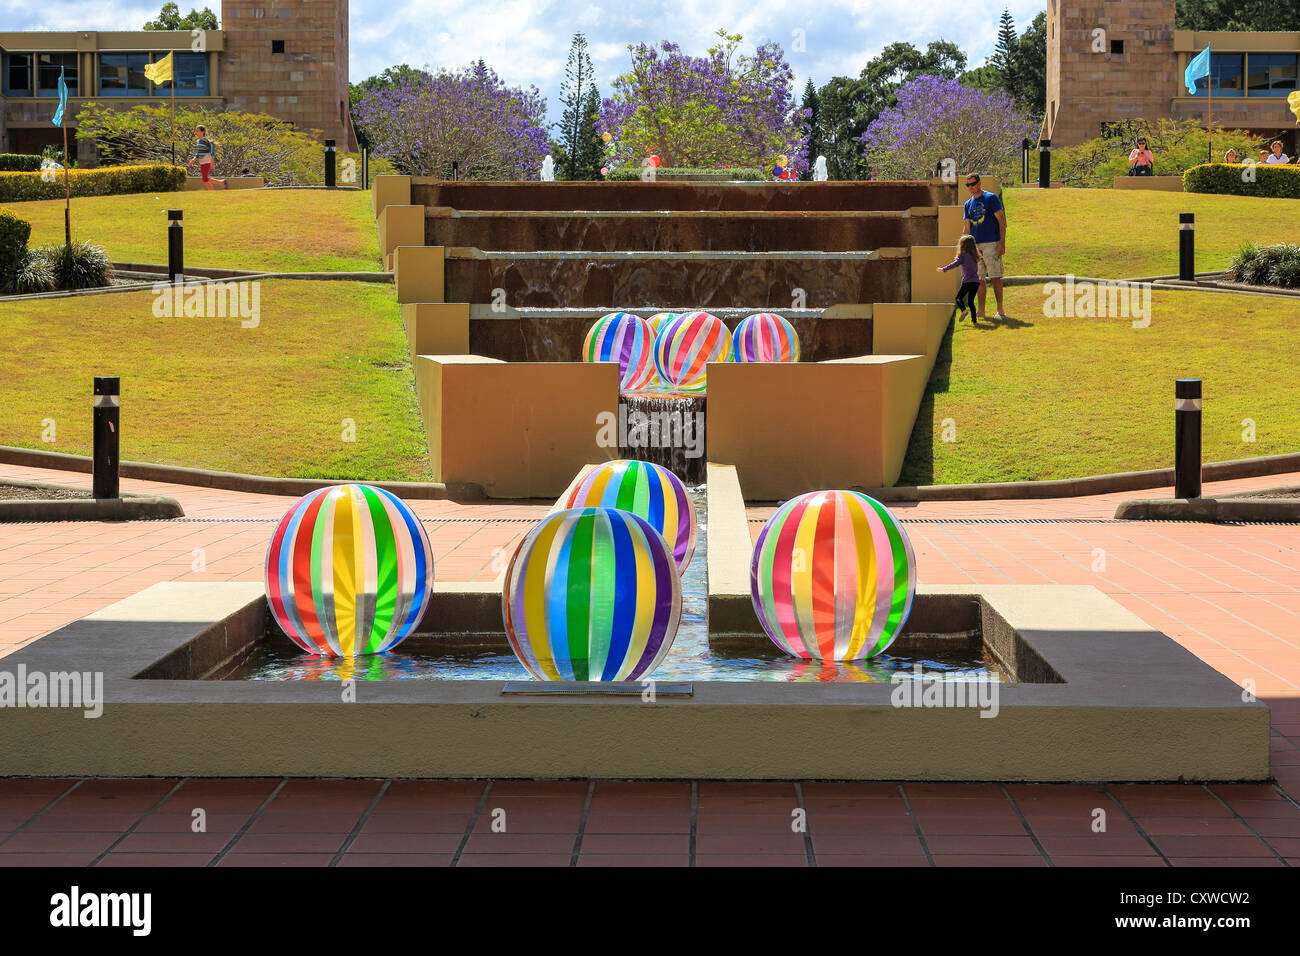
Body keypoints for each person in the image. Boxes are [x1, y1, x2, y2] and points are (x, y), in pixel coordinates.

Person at [962, 173, 1008, 321]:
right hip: (975, 246)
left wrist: (1002, 243)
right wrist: (963, 248)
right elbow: (966, 228)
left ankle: (1000, 310)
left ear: (979, 182)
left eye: (973, 184)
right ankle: (981, 311)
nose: (971, 187)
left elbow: (1001, 221)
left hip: (991, 243)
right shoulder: (967, 204)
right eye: (968, 185)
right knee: (979, 279)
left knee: (995, 277)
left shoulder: (991, 198)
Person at [936, 234, 982, 324]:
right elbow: (981, 252)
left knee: (958, 298)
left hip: (967, 282)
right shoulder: (976, 255)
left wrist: (943, 269)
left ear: (962, 245)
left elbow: (954, 264)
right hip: (976, 282)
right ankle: (974, 321)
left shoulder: (963, 256)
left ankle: (964, 310)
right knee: (971, 301)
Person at [186, 125, 226, 190]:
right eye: (195, 131)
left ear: (203, 131)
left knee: (205, 178)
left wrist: (212, 160)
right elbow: (199, 152)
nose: (196, 132)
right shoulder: (198, 141)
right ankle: (214, 190)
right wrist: (194, 159)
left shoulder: (205, 140)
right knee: (204, 179)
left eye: (197, 131)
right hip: (201, 161)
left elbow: (212, 150)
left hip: (207, 160)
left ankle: (221, 182)